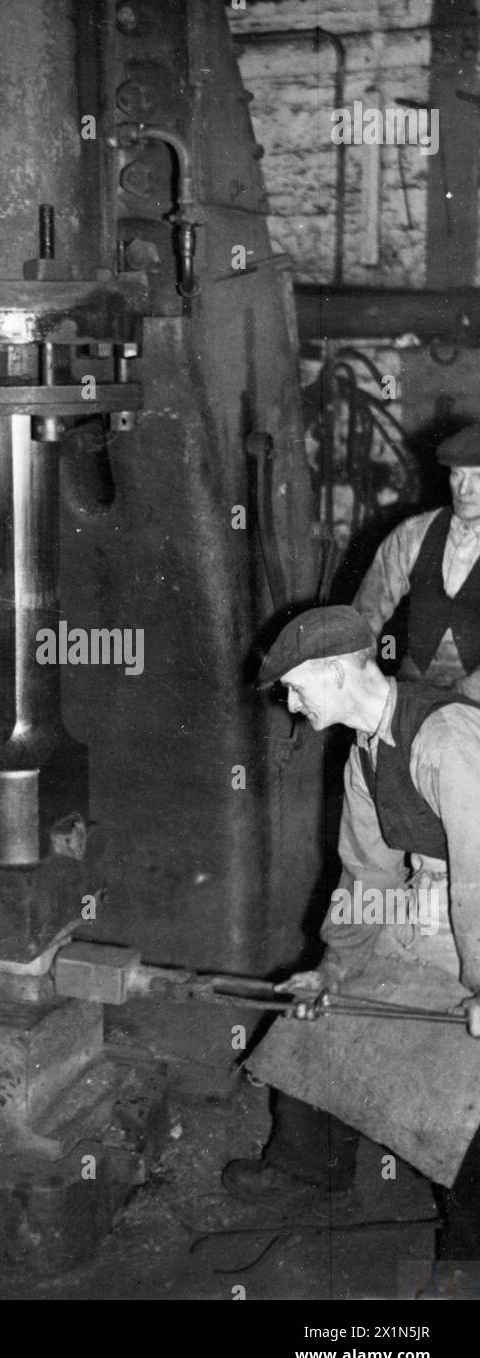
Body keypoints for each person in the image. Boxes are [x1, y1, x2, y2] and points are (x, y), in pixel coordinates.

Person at [222, 605, 480, 1292]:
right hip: (433, 909)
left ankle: (464, 1269)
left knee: (472, 1095)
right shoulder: (364, 751)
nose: (288, 699)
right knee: (322, 1008)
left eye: (294, 684)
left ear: (337, 671)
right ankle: (309, 1169)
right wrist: (334, 964)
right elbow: (365, 872)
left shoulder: (445, 739)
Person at [354, 421, 480, 698]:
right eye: (458, 476)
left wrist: (463, 694)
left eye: (477, 477)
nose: (464, 490)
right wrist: (362, 672)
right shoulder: (414, 533)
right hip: (416, 685)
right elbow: (369, 607)